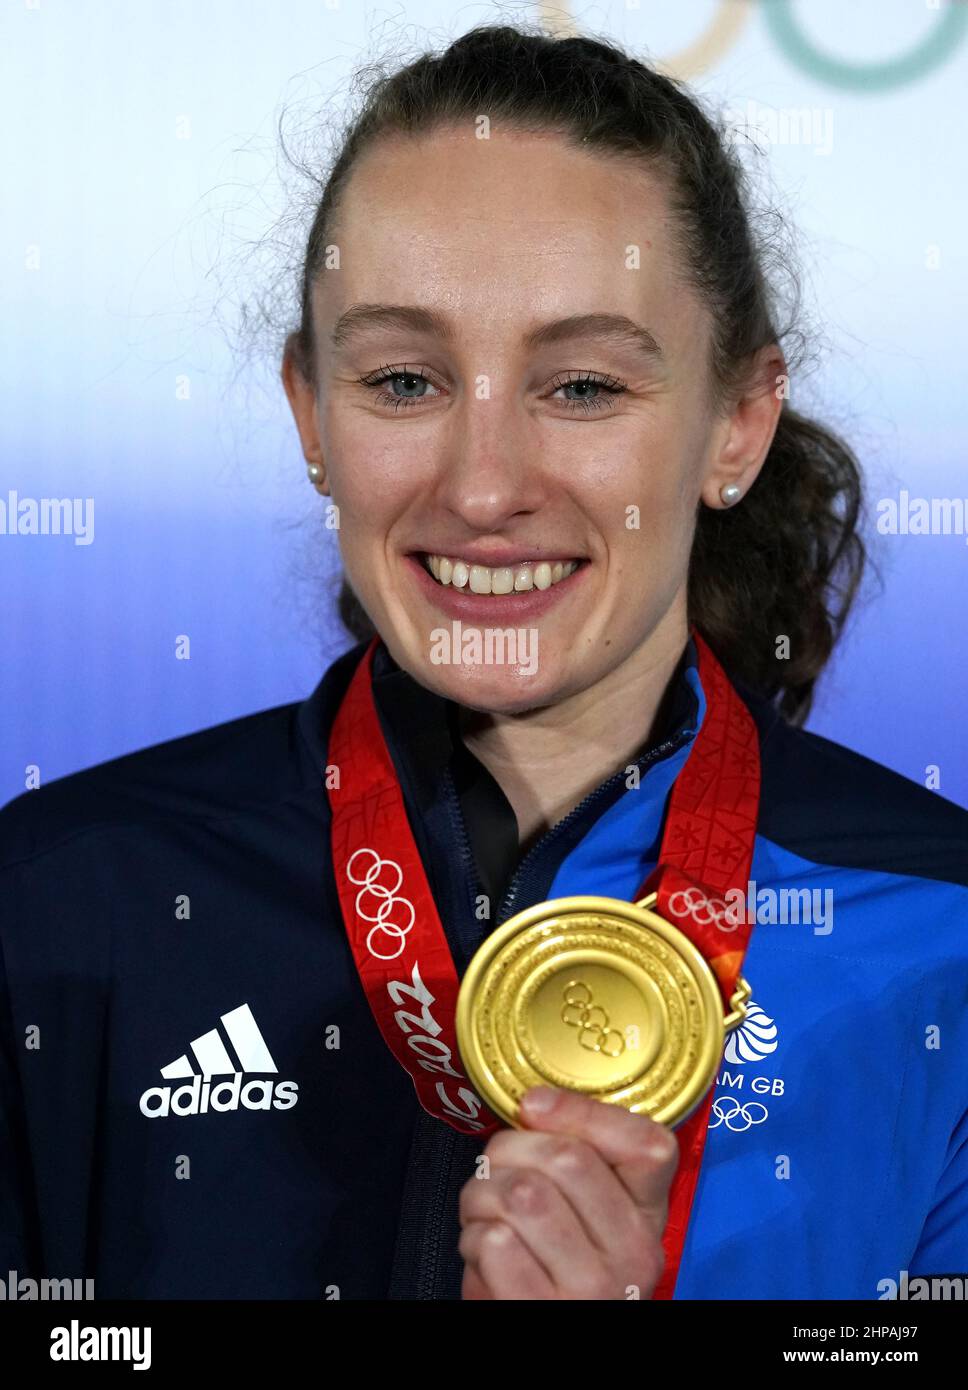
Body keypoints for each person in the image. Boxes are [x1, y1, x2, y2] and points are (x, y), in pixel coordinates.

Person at [2, 22, 967, 1303]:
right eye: (403, 380)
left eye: (580, 388)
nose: (483, 485)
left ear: (735, 424)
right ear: (310, 415)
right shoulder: (66, 900)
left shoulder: (938, 930)